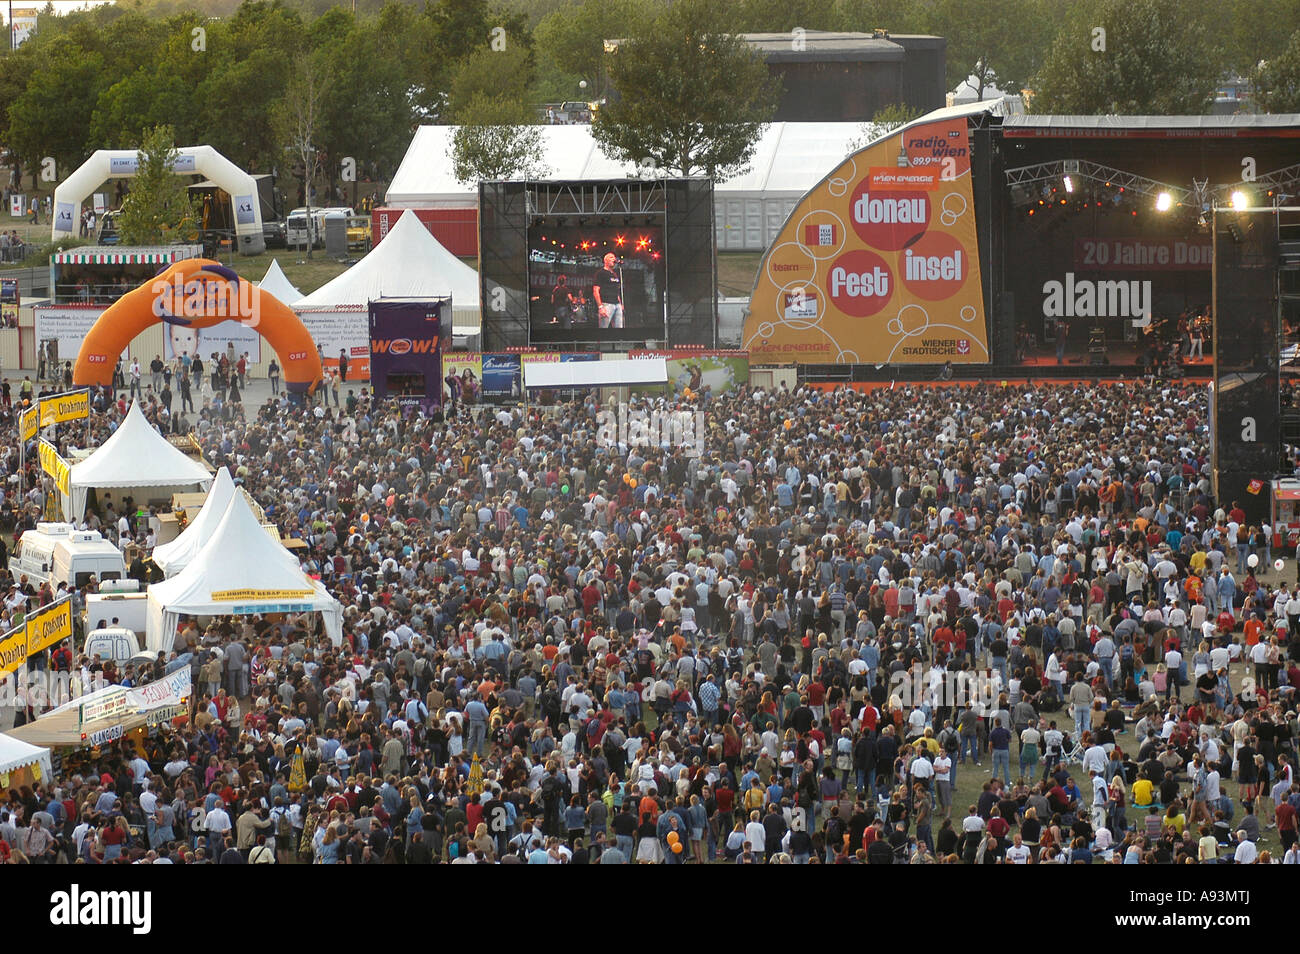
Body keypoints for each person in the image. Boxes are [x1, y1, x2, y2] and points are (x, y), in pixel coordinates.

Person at [592, 252, 624, 329]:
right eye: (611, 257)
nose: (614, 259)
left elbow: (616, 291)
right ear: (605, 260)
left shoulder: (615, 274)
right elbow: (596, 291)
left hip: (617, 304)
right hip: (606, 304)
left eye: (614, 257)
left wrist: (620, 304)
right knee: (604, 328)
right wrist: (600, 307)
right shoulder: (600, 273)